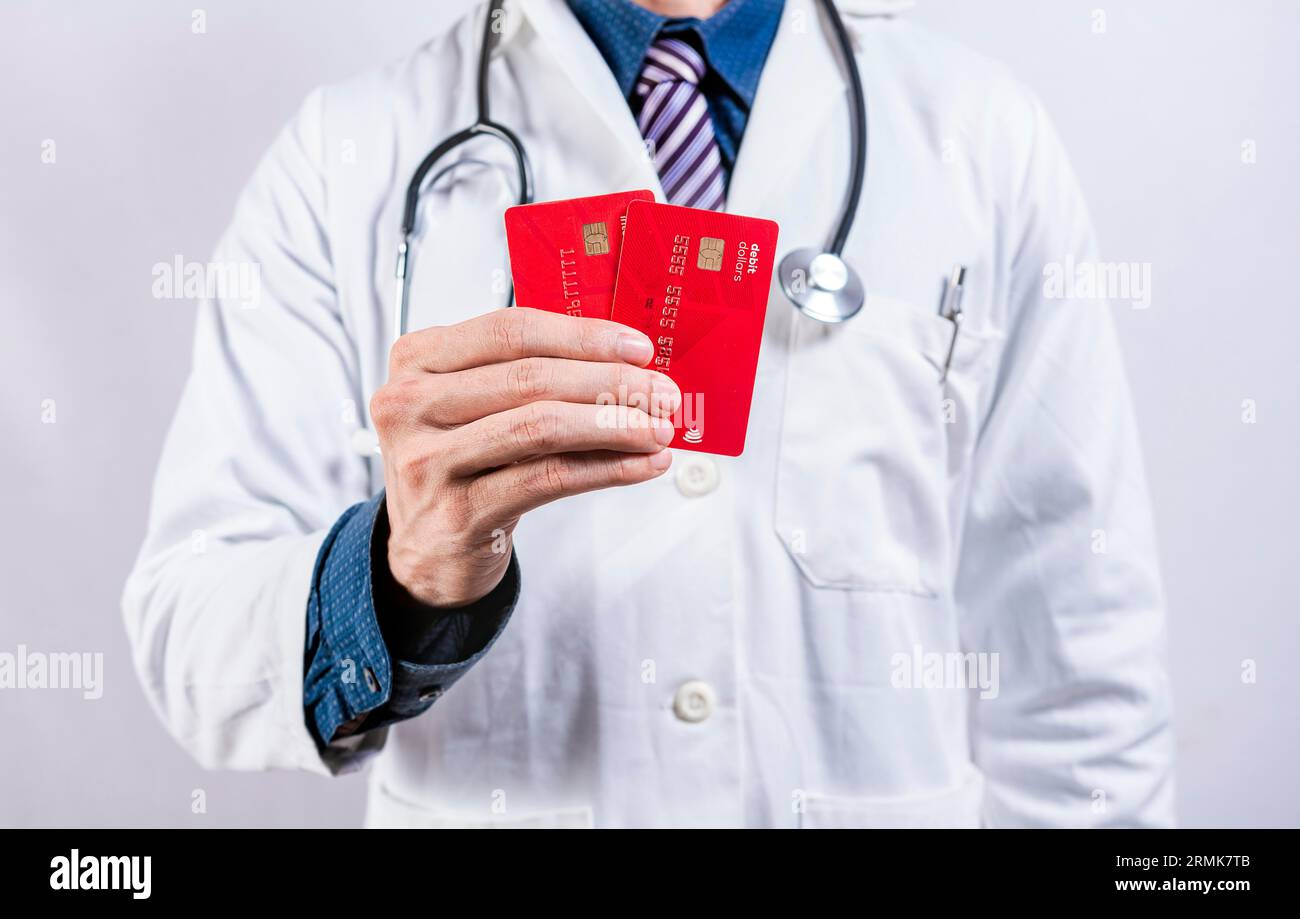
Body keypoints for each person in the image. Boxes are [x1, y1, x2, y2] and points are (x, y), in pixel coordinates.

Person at [123, 0, 1174, 828]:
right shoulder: (346, 153)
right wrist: (398, 580)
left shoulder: (981, 140)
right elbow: (192, 637)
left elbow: (1078, 646)